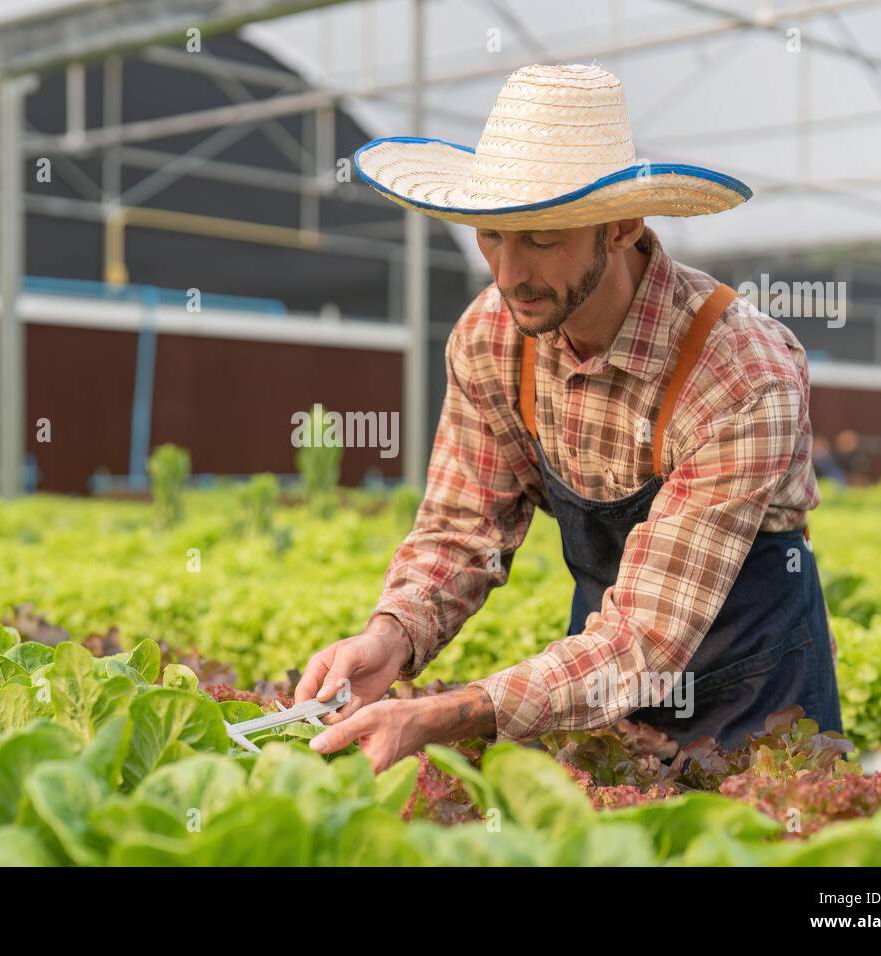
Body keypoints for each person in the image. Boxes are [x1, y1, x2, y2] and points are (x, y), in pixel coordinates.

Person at [295, 64, 841, 773]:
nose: (508, 272)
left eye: (541, 239)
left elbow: (646, 636)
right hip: (594, 680)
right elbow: (463, 531)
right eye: (491, 236)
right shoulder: (491, 339)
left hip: (757, 691)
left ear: (621, 224)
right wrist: (389, 637)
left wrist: (450, 714)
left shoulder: (738, 370)